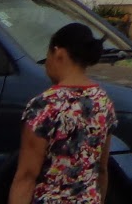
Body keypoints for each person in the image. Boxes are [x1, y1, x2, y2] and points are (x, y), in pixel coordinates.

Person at [10, 22, 116, 204]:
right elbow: (102, 169)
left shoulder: (45, 105)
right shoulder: (103, 101)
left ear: (58, 53)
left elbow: (27, 176)